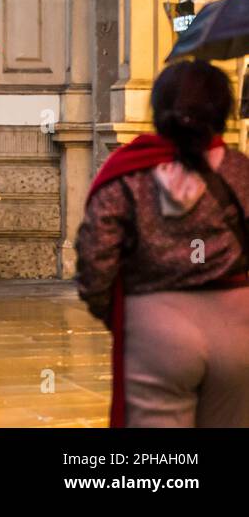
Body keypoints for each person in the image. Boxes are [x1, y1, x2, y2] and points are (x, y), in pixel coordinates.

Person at [76, 60, 249, 427]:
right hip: (237, 329)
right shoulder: (240, 171)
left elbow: (96, 258)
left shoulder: (127, 172)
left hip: (155, 327)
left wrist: (121, 315)